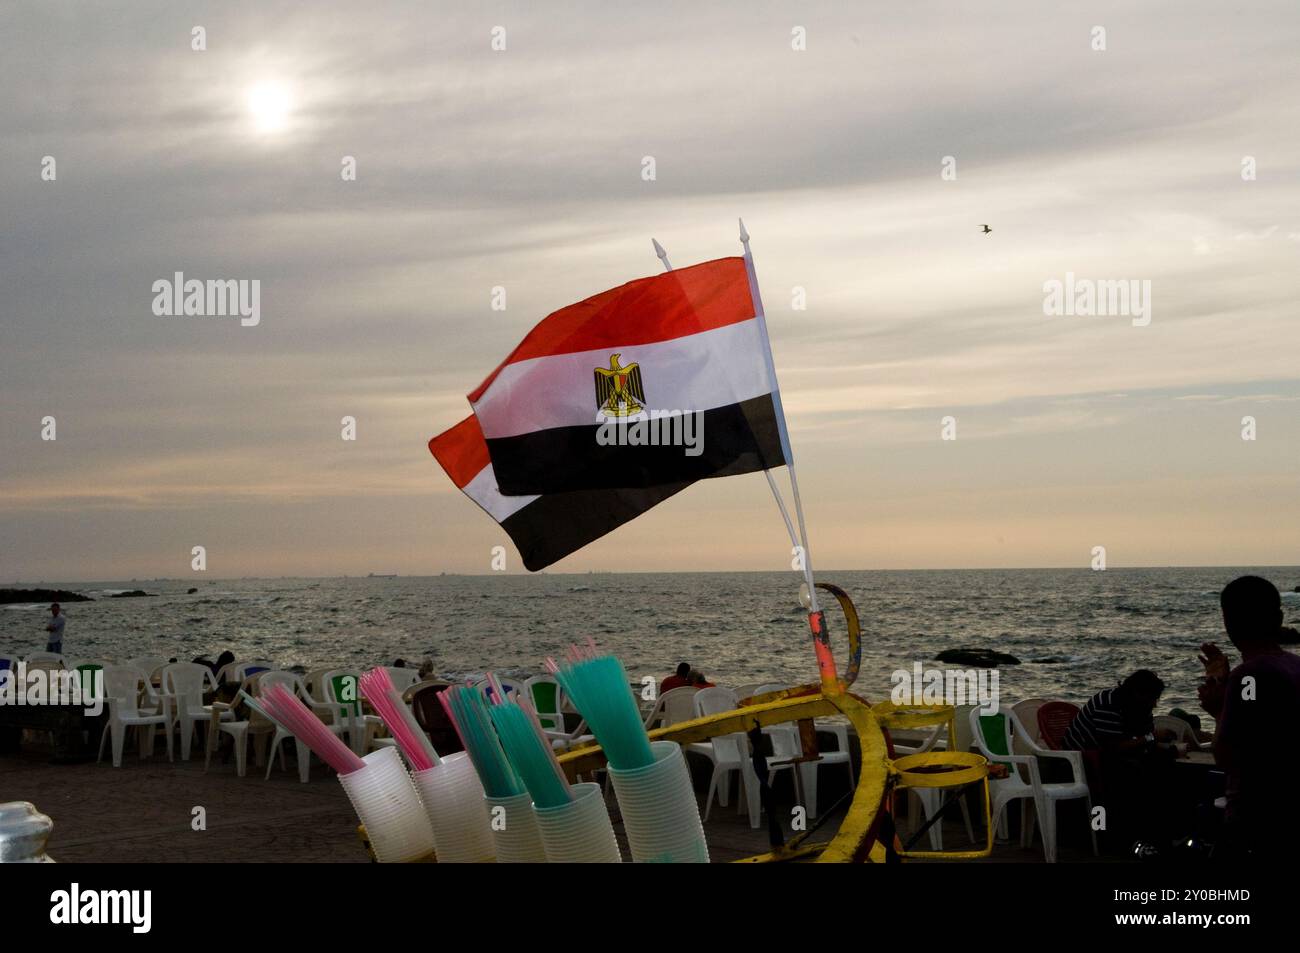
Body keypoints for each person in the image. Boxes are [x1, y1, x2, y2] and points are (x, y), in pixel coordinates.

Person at [1197, 575, 1300, 860]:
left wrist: (1218, 710)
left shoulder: (1249, 675)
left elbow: (1227, 755)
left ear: (1228, 622)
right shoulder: (1294, 665)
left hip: (1256, 814)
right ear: (1278, 617)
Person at [1062, 669, 1185, 853]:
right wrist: (1152, 738)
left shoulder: (1139, 709)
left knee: (1165, 765)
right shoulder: (1108, 704)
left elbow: (1140, 741)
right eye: (1152, 698)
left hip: (1110, 756)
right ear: (1138, 694)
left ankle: (1164, 834)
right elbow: (1113, 747)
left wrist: (1166, 748)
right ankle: (1127, 837)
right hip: (1082, 761)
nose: (1154, 704)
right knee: (1133, 773)